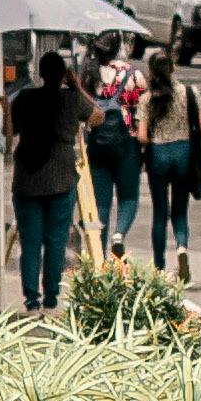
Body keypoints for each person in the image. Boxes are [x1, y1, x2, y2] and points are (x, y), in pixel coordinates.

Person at [2, 44, 83, 313]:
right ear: (63, 74)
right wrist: (77, 86)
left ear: (40, 72)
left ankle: (31, 298)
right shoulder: (71, 99)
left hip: (27, 176)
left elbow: (8, 133)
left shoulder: (24, 98)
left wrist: (5, 108)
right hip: (61, 174)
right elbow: (98, 115)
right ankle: (51, 295)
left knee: (30, 241)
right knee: (56, 240)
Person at [140, 44, 201, 277]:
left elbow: (142, 136)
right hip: (183, 153)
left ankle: (159, 265)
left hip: (158, 155)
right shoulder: (190, 92)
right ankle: (181, 248)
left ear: (152, 72)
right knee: (180, 211)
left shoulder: (148, 98)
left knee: (160, 212)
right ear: (173, 68)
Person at [83, 45, 144, 254]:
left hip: (96, 145)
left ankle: (99, 255)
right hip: (126, 144)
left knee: (101, 201)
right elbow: (143, 108)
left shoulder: (90, 73)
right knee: (128, 197)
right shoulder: (132, 74)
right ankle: (119, 234)